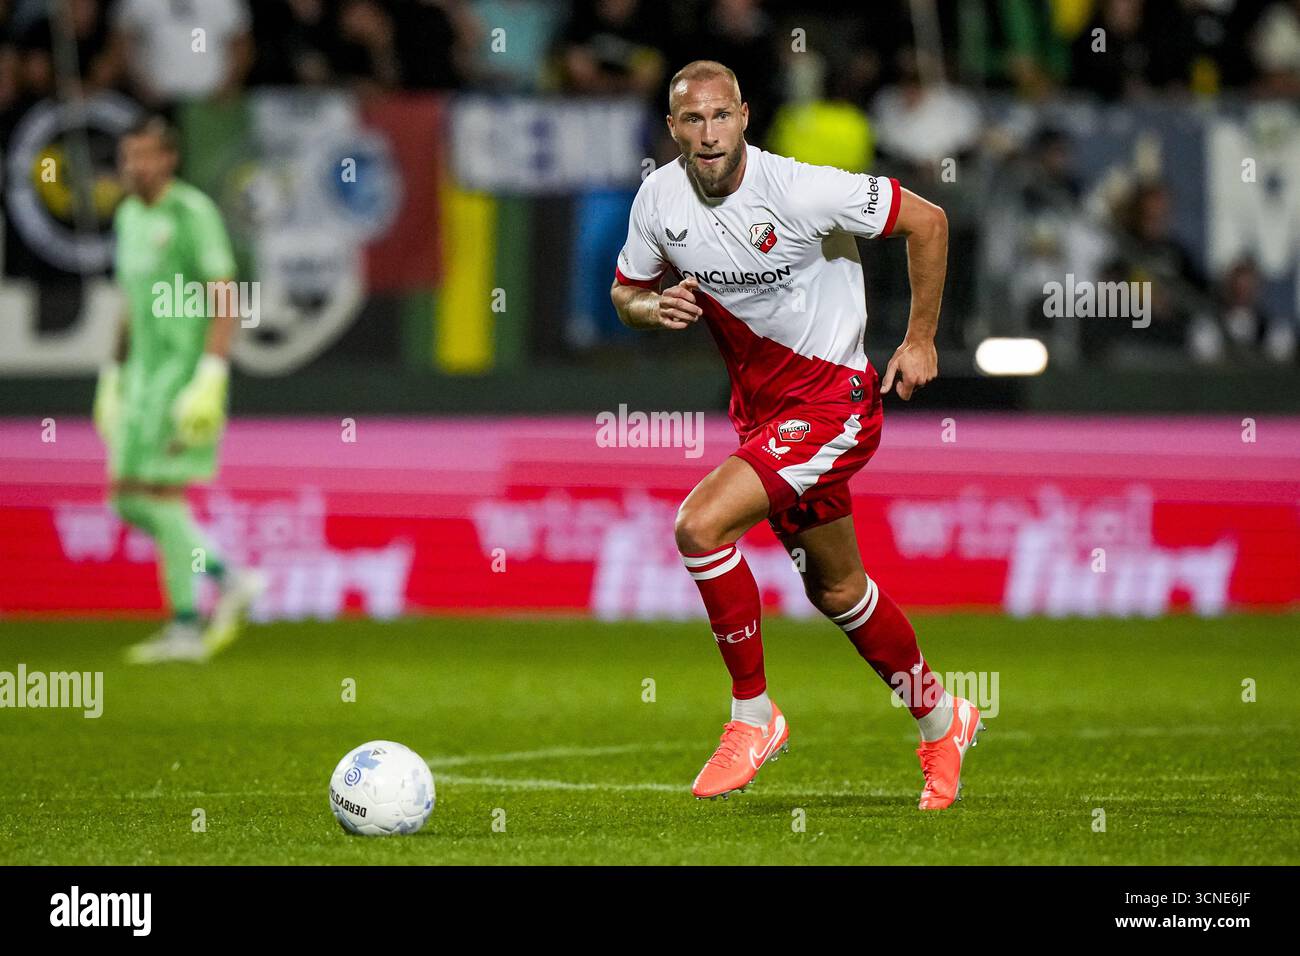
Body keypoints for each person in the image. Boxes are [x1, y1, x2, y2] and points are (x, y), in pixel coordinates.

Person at [610, 61, 983, 809]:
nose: (709, 134)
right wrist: (652, 311)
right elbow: (626, 290)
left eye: (721, 117)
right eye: (692, 121)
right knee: (838, 589)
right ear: (673, 129)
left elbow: (929, 221)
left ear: (745, 116)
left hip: (835, 404)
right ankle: (944, 719)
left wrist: (919, 340)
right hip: (764, 417)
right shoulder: (659, 199)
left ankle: (754, 714)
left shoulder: (806, 189)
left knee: (699, 526)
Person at [94, 116, 261, 664]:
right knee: (125, 497)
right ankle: (228, 576)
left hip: (183, 377)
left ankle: (186, 626)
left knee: (163, 496)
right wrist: (112, 375)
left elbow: (224, 295)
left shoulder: (192, 213)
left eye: (146, 155)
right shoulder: (127, 216)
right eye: (128, 156)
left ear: (168, 159)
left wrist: (211, 376)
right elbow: (129, 301)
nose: (135, 167)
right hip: (141, 377)